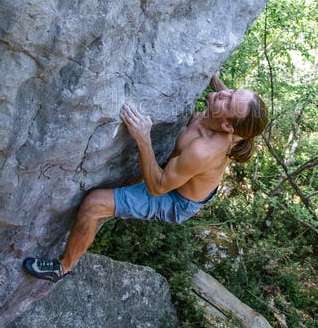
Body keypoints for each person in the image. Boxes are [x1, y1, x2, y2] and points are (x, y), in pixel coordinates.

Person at [23, 75, 268, 281]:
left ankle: (62, 267)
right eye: (232, 91)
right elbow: (228, 98)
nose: (223, 94)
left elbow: (158, 186)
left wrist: (143, 138)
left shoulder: (204, 150)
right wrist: (213, 78)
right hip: (182, 175)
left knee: (94, 204)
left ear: (228, 127)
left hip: (175, 198)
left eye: (228, 100)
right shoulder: (229, 116)